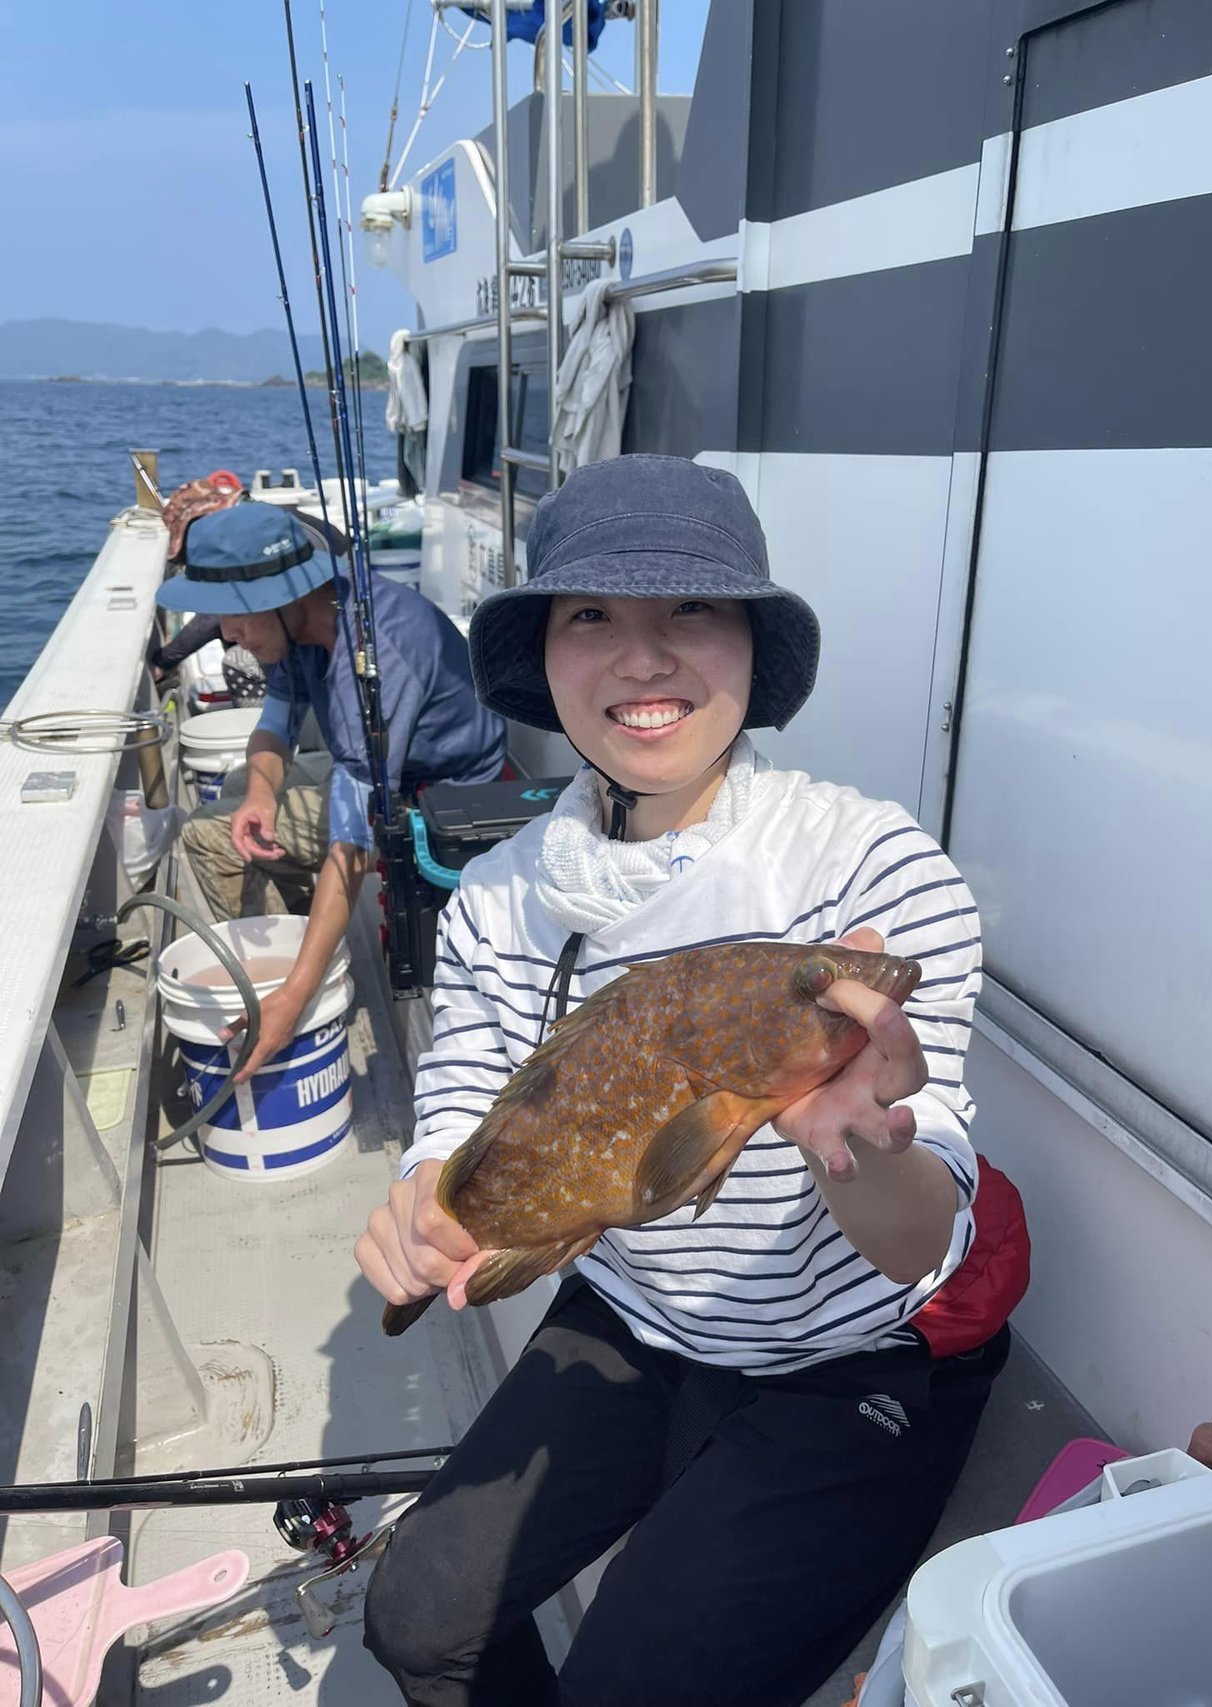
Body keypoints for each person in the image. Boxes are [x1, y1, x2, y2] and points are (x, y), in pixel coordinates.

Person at [355, 455, 1025, 1707]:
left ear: (752, 651)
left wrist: (860, 1143)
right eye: (591, 616)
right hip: (630, 1318)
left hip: (848, 1355)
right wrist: (427, 1197)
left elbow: (921, 1238)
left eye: (692, 613)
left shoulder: (867, 864)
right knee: (412, 1619)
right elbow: (464, 1101)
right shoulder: (500, 895)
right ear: (545, 657)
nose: (642, 658)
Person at [155, 503, 506, 1077]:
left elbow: (351, 844)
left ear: (286, 598)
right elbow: (274, 724)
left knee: (206, 836)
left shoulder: (372, 658)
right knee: (247, 785)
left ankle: (292, 995)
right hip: (381, 767)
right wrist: (262, 797)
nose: (227, 636)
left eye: (236, 617)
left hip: (440, 797)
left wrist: (293, 998)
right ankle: (306, 945)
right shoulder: (307, 624)